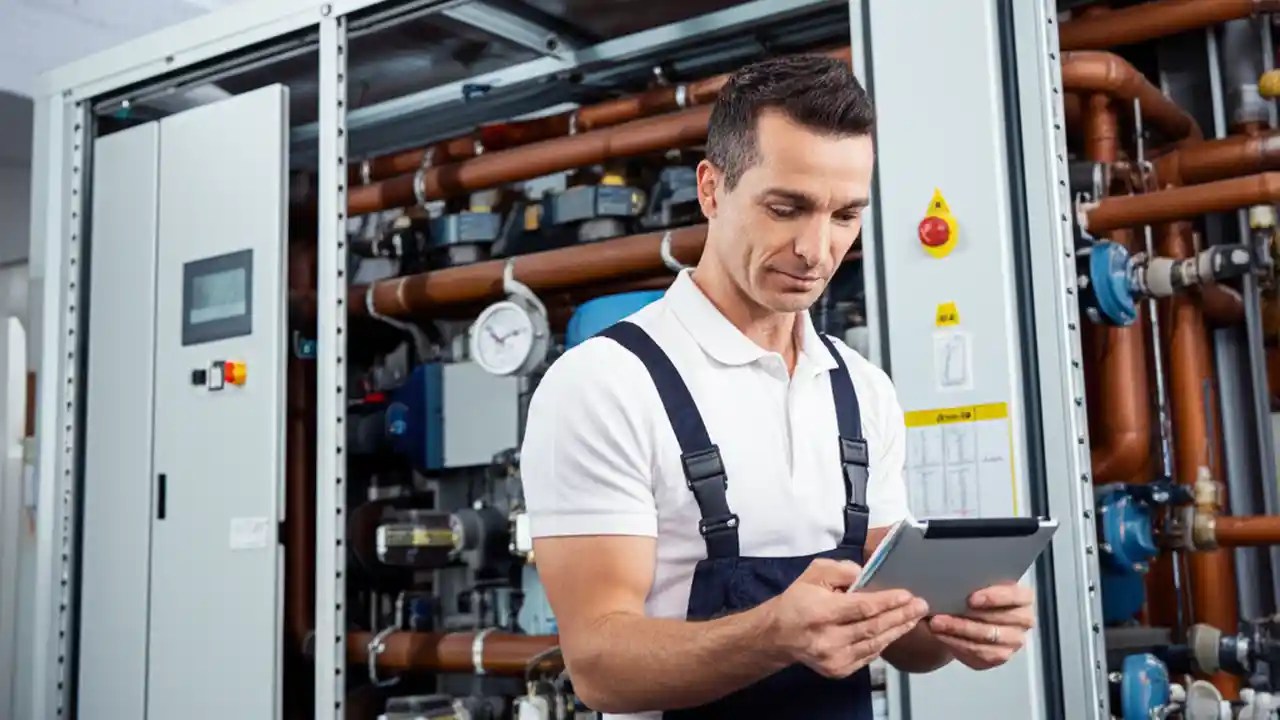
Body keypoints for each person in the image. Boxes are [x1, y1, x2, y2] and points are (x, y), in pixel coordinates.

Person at [518, 54, 1036, 719]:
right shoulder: (604, 385)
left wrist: (954, 627)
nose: (816, 249)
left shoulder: (862, 391)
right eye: (786, 208)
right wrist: (773, 635)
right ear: (711, 189)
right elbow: (597, 665)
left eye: (845, 215)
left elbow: (901, 635)